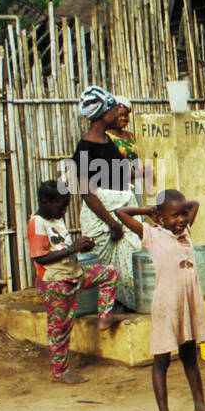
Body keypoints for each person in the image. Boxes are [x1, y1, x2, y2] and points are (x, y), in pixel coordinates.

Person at [114, 191, 205, 411]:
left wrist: (177, 210)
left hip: (188, 304)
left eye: (184, 214)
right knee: (161, 360)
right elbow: (120, 213)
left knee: (190, 357)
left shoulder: (185, 232)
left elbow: (195, 203)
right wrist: (149, 211)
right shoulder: (152, 235)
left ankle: (200, 405)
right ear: (160, 217)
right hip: (167, 306)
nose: (182, 218)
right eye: (175, 215)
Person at [28, 180, 121, 384]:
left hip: (74, 275)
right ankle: (60, 372)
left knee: (109, 273)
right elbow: (40, 258)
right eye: (60, 206)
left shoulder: (56, 219)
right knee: (59, 329)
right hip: (56, 284)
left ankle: (105, 317)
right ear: (45, 202)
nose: (64, 211)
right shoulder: (37, 223)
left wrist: (82, 247)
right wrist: (73, 248)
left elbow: (62, 248)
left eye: (65, 206)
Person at [73, 86, 143, 311]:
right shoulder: (84, 148)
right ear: (103, 114)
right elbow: (88, 193)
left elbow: (119, 173)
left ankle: (126, 303)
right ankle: (110, 310)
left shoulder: (107, 142)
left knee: (131, 264)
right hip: (103, 219)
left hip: (121, 212)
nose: (117, 111)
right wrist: (113, 223)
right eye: (113, 107)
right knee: (106, 268)